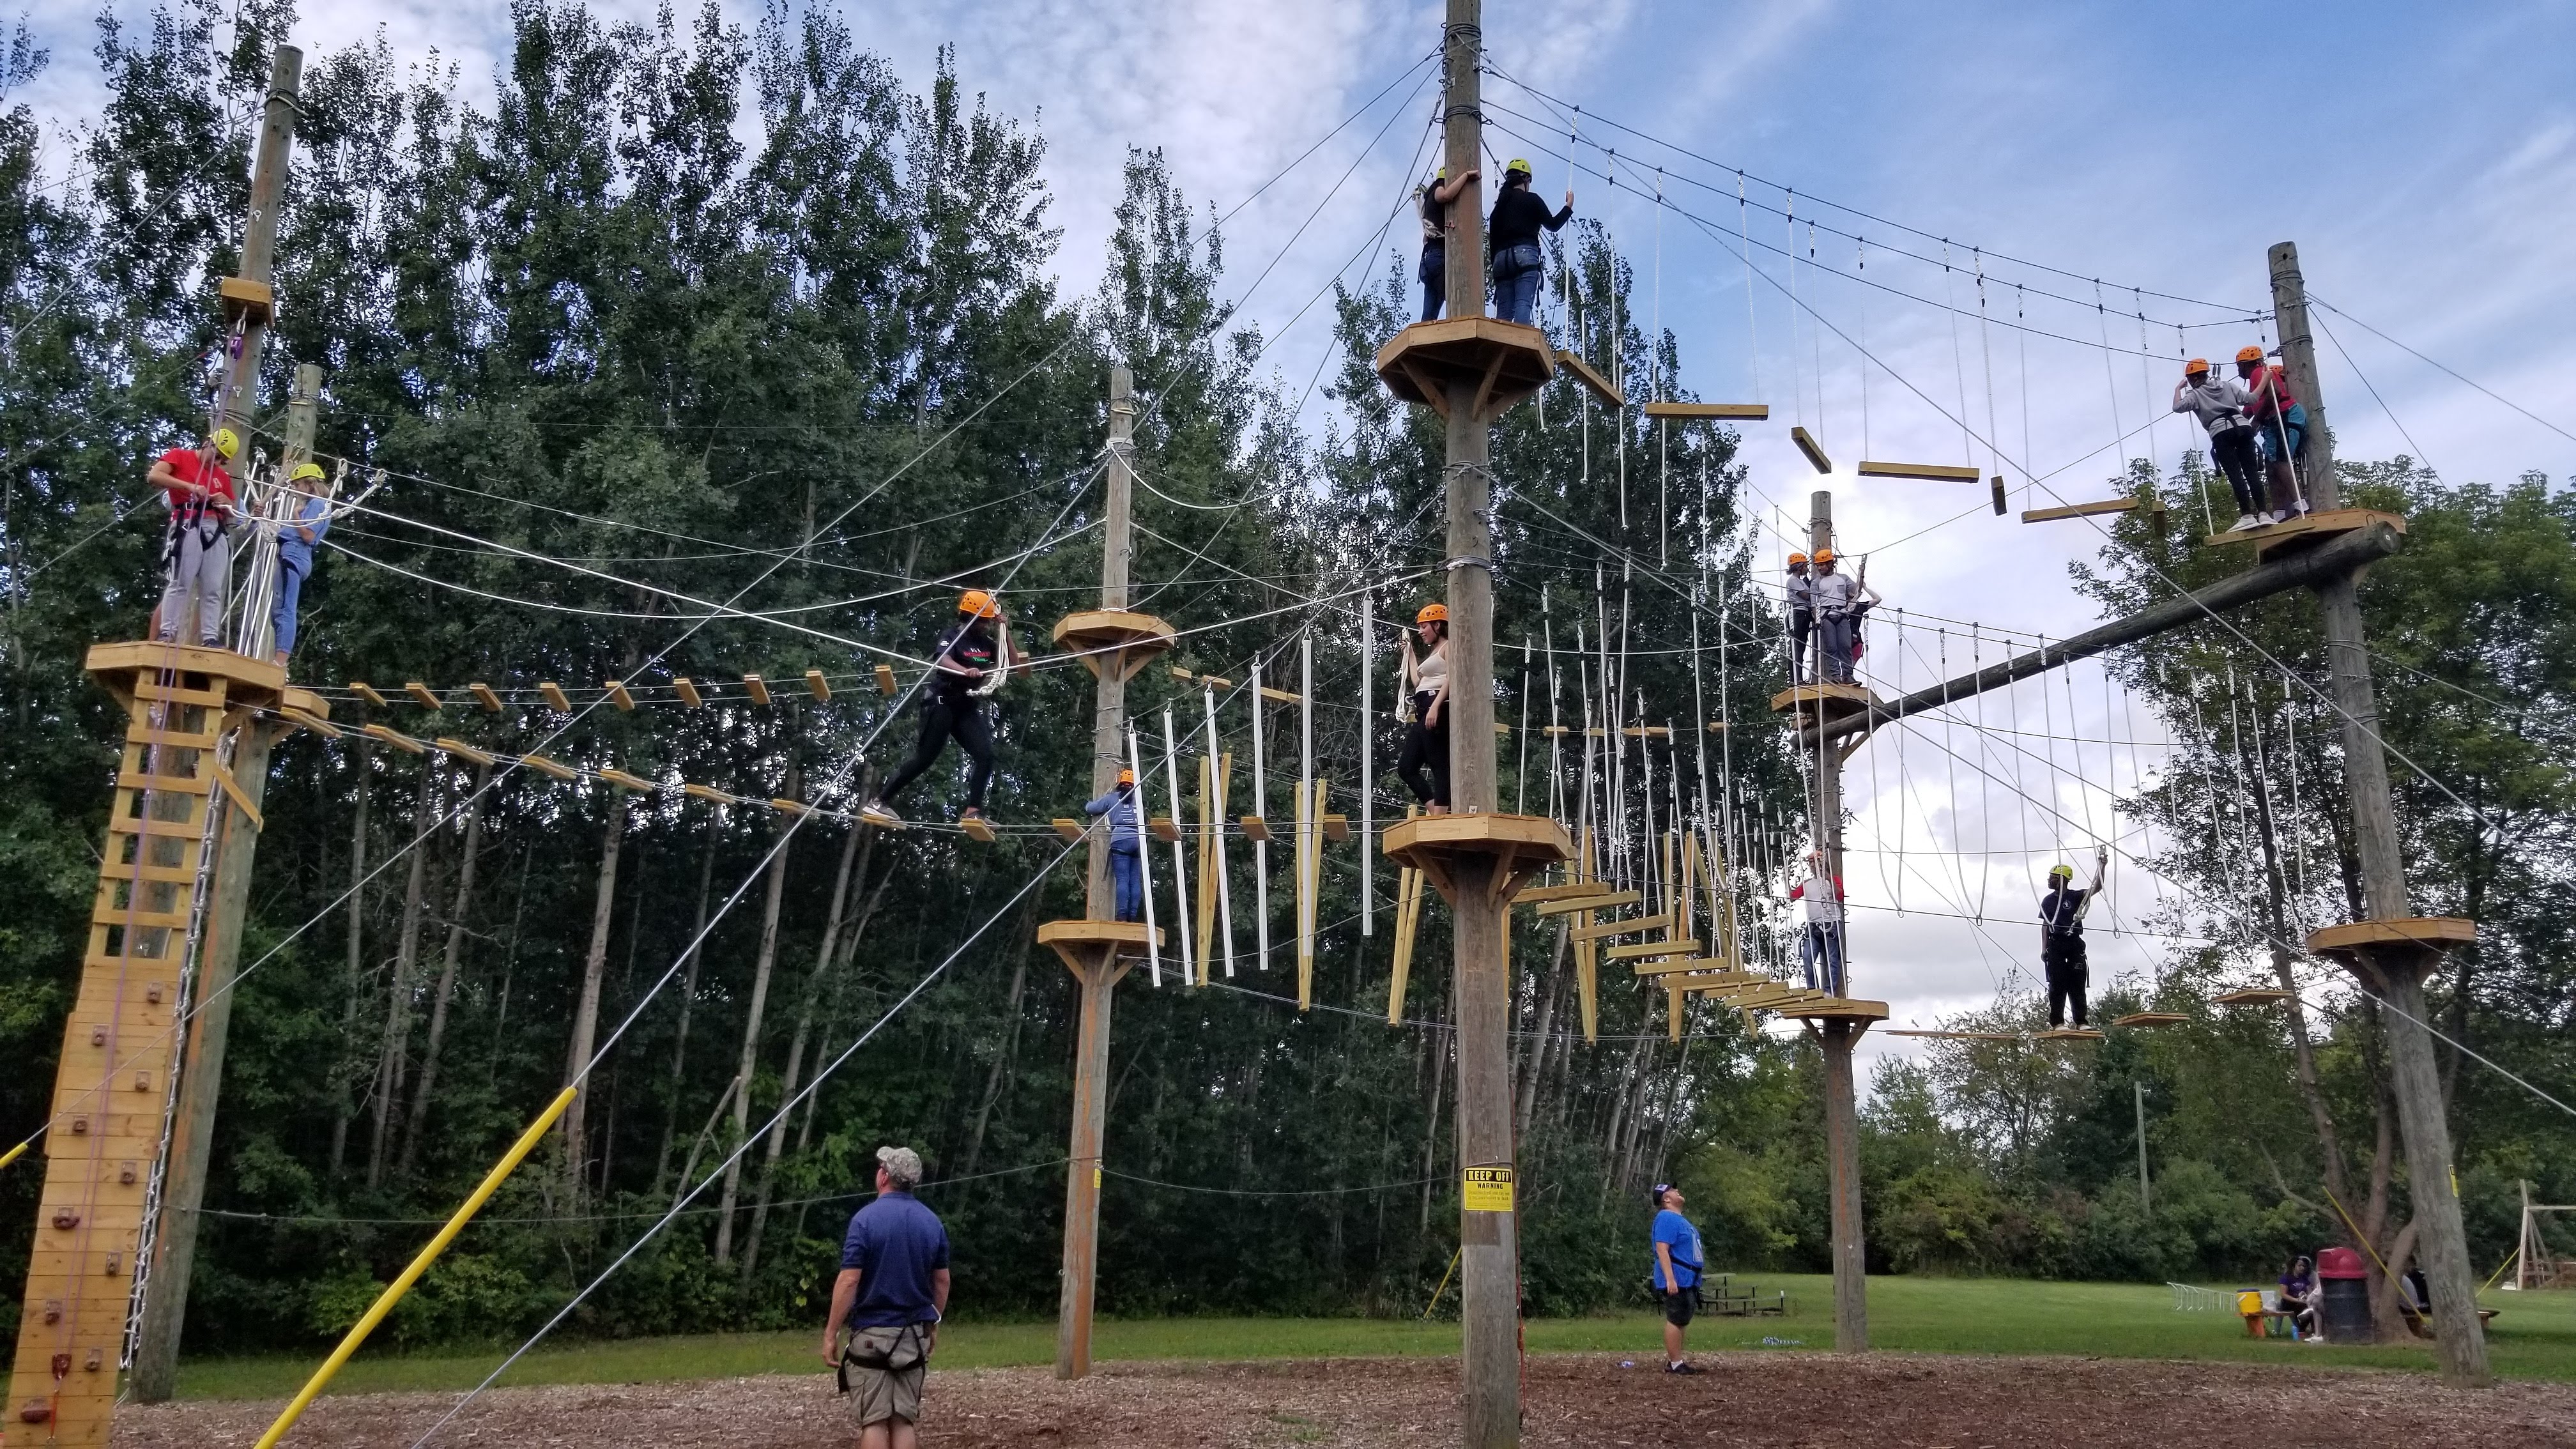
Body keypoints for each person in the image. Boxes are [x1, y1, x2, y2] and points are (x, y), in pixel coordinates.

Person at [824, 1146, 950, 1449]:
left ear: (883, 1176)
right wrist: (933, 1323)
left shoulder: (864, 1220)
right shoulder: (932, 1222)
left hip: (871, 1335)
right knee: (903, 1420)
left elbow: (850, 1279)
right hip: (914, 1335)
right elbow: (942, 1281)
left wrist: (831, 1332)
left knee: (874, 1421)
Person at [863, 590, 1018, 827]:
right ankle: (879, 802)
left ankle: (973, 812)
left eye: (988, 621)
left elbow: (1012, 663)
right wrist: (965, 670)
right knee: (925, 758)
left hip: (965, 707)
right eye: (983, 621)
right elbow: (942, 659)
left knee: (985, 756)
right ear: (971, 618)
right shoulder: (952, 636)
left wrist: (1004, 630)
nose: (986, 626)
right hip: (941, 702)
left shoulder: (986, 643)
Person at [148, 427, 239, 647]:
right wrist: (190, 487)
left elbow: (231, 510)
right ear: (208, 444)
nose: (217, 463)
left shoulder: (221, 477)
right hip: (187, 521)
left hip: (214, 527)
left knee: (213, 587)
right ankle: (167, 632)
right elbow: (154, 475)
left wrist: (225, 502)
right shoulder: (180, 456)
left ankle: (210, 637)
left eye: (222, 461)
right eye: (217, 456)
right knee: (181, 581)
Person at [2171, 358, 2268, 530]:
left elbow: (2178, 407)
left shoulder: (2195, 394)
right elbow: (2252, 399)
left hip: (2221, 432)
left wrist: (2178, 388)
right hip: (2243, 428)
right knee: (2252, 472)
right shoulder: (2226, 386)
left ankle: (2247, 516)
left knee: (2236, 475)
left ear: (2192, 379)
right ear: (2206, 374)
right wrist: (2266, 379)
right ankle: (2264, 514)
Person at [1486, 158, 1572, 325]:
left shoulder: (1499, 207)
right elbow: (1553, 225)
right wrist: (1568, 206)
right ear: (1526, 179)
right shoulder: (1532, 200)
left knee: (1503, 311)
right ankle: (1519, 346)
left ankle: (1503, 346)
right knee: (1523, 304)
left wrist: (1495, 266)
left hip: (1500, 260)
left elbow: (1493, 239)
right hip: (1525, 254)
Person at [2236, 346, 2308, 521]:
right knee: (2271, 468)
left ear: (2247, 365)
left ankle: (2302, 506)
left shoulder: (2257, 372)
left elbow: (2274, 394)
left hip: (2282, 416)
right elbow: (2250, 407)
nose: (2239, 370)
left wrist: (2256, 422)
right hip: (2282, 417)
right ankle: (2280, 514)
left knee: (2280, 461)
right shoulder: (2258, 377)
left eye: (2240, 366)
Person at [2039, 848, 2108, 1029]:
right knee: (2057, 984)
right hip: (2056, 943)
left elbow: (2097, 887)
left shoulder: (2075, 896)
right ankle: (2058, 1022)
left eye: (2053, 877)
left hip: (2074, 942)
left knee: (2077, 983)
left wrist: (2102, 865)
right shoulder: (2048, 901)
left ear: (2062, 880)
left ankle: (2081, 1021)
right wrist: (2044, 949)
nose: (2049, 880)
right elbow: (2046, 925)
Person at [269, 461, 330, 667]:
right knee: (278, 609)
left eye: (298, 485)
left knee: (285, 609)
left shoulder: (317, 505)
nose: (295, 490)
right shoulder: (315, 505)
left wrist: (296, 515)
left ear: (310, 484)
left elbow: (307, 535)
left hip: (294, 557)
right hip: (291, 555)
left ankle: (280, 662)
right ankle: (280, 657)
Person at [1395, 601, 1451, 813]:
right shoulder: (1435, 652)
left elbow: (1452, 678)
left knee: (1439, 764)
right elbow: (1418, 681)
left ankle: (1440, 814)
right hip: (1423, 711)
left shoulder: (1449, 647)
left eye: (1424, 627)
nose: (1420, 632)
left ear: (1437, 626)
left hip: (1437, 708)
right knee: (1406, 768)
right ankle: (1434, 810)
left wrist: (1436, 706)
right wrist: (1409, 653)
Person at [1647, 1183, 1704, 1374]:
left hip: (1686, 1278)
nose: (1677, 1190)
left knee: (1682, 1318)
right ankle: (1675, 1363)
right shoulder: (1666, 1218)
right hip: (1677, 1278)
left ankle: (1676, 1361)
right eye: (1672, 1190)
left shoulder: (1679, 1220)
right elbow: (1662, 1249)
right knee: (1675, 1318)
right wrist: (1670, 1279)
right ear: (1667, 1199)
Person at [1416, 165, 1478, 323]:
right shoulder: (1438, 188)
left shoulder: (1430, 207)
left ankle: (1426, 336)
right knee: (1457, 293)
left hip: (1429, 258)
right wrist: (1465, 175)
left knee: (1432, 306)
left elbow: (1425, 239)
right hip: (1438, 256)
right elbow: (1445, 196)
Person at [1084, 767, 1146, 922]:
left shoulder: (1112, 798)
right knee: (1135, 880)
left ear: (1120, 782)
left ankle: (1122, 915)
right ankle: (1133, 915)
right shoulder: (1139, 799)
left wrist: (1085, 803)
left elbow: (1091, 808)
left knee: (1123, 878)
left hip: (1120, 839)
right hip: (1138, 840)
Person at [1808, 549, 1877, 686]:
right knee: (1832, 647)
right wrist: (1817, 619)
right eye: (1818, 565)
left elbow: (1855, 591)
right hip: (1826, 616)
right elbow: (1814, 603)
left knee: (1845, 646)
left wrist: (1860, 577)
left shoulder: (1843, 578)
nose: (1820, 568)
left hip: (1842, 614)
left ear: (1830, 564)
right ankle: (1835, 675)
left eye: (1822, 565)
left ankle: (1848, 676)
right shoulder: (1816, 583)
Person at [1789, 852, 1845, 995]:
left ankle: (1829, 991)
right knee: (1807, 957)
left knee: (1832, 959)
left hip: (1831, 924)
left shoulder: (1833, 880)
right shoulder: (1807, 884)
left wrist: (1827, 877)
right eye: (1811, 863)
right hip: (1814, 926)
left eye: (1815, 862)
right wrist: (1786, 878)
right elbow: (1793, 897)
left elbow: (1839, 896)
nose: (1812, 866)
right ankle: (1813, 988)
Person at [1784, 551, 1814, 683]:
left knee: (1801, 646)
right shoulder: (1793, 581)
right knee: (1797, 647)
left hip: (1804, 613)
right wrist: (1814, 588)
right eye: (1805, 566)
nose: (1807, 568)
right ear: (1799, 566)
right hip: (1797, 614)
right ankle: (1795, 678)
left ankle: (1798, 678)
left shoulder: (1800, 581)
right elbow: (1806, 596)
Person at [2278, 1254, 2318, 1339]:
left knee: (2313, 1309)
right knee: (2305, 1309)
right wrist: (2297, 1300)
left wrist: (2309, 1298)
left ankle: (2314, 1332)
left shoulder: (2304, 1278)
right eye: (2299, 1265)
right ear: (2293, 1266)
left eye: (2303, 1266)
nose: (2302, 1268)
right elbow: (2283, 1295)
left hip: (2302, 1301)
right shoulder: (2286, 1278)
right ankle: (2301, 1330)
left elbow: (2309, 1291)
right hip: (2289, 1303)